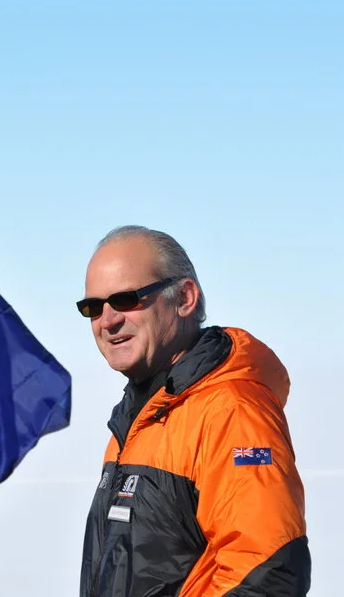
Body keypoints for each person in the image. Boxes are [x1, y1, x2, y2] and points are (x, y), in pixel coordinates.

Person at [76, 225, 311, 597]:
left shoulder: (230, 411)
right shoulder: (138, 419)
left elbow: (266, 574)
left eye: (125, 300)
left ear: (184, 298)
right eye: (92, 307)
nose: (107, 321)